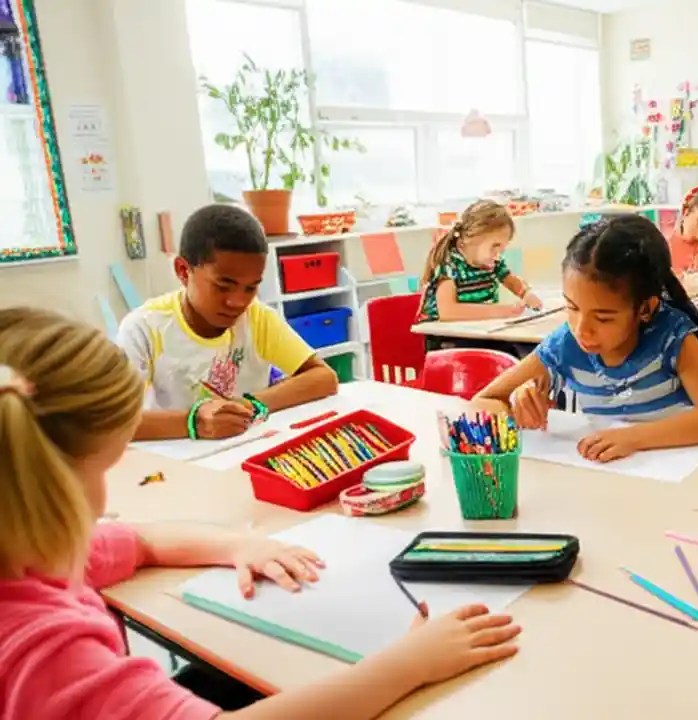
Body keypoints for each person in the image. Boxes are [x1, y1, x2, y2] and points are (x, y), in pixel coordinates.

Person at [0, 307, 522, 718]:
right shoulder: (46, 649)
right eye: (103, 472)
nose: (105, 501)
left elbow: (142, 540)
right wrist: (408, 664)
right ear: (41, 483)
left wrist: (236, 545)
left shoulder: (26, 555)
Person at [473, 215, 698, 463]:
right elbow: (485, 399)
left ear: (645, 308)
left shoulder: (672, 338)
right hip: (609, 477)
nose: (581, 329)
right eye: (572, 308)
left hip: (680, 471)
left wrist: (634, 438)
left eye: (603, 318)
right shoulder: (565, 344)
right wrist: (516, 405)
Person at [117, 204, 338, 442]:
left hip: (246, 453)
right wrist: (193, 422)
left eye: (251, 287)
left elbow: (324, 377)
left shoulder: (257, 318)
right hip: (176, 466)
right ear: (183, 271)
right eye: (223, 286)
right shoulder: (143, 329)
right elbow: (109, 423)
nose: (238, 302)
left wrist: (251, 404)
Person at [416, 200, 541, 334]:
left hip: (478, 332)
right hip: (445, 338)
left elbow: (512, 282)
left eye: (503, 248)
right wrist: (504, 311)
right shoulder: (450, 264)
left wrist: (527, 293)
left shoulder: (493, 262)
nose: (498, 253)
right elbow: (447, 312)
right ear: (472, 239)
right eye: (495, 246)